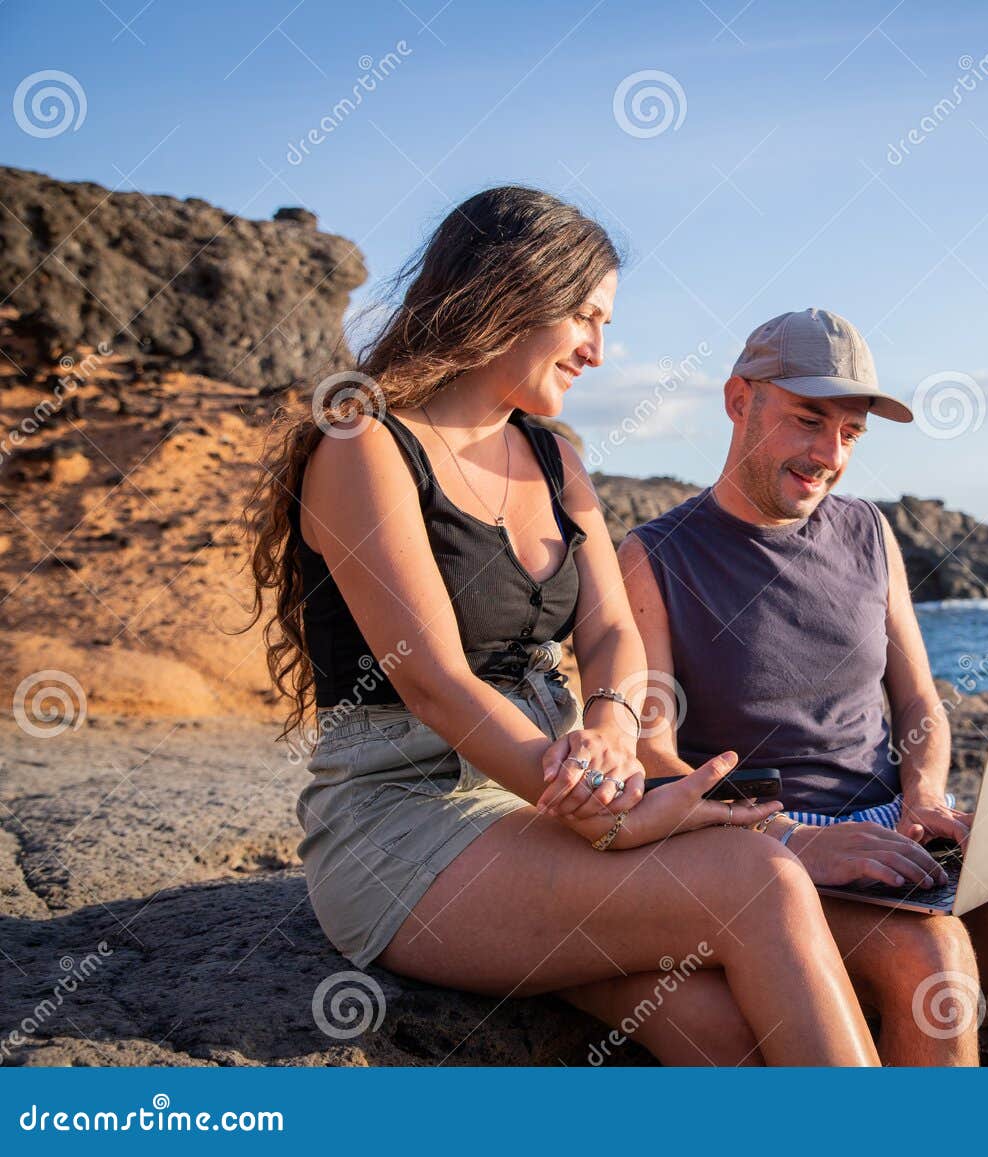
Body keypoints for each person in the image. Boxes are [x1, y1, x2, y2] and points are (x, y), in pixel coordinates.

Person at [241, 193, 878, 1066]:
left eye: (604, 322)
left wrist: (612, 735)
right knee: (759, 879)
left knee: (722, 1026)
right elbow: (432, 678)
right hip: (407, 819)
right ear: (506, 291)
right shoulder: (365, 446)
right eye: (584, 316)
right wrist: (607, 812)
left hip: (540, 801)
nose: (598, 350)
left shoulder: (555, 456)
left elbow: (610, 629)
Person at [619, 308, 988, 1066]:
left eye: (850, 434)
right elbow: (650, 758)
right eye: (809, 420)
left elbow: (918, 703)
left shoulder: (870, 532)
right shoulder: (653, 556)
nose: (828, 454)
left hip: (891, 831)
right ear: (738, 399)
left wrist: (925, 798)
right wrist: (796, 841)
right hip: (765, 852)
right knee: (931, 957)